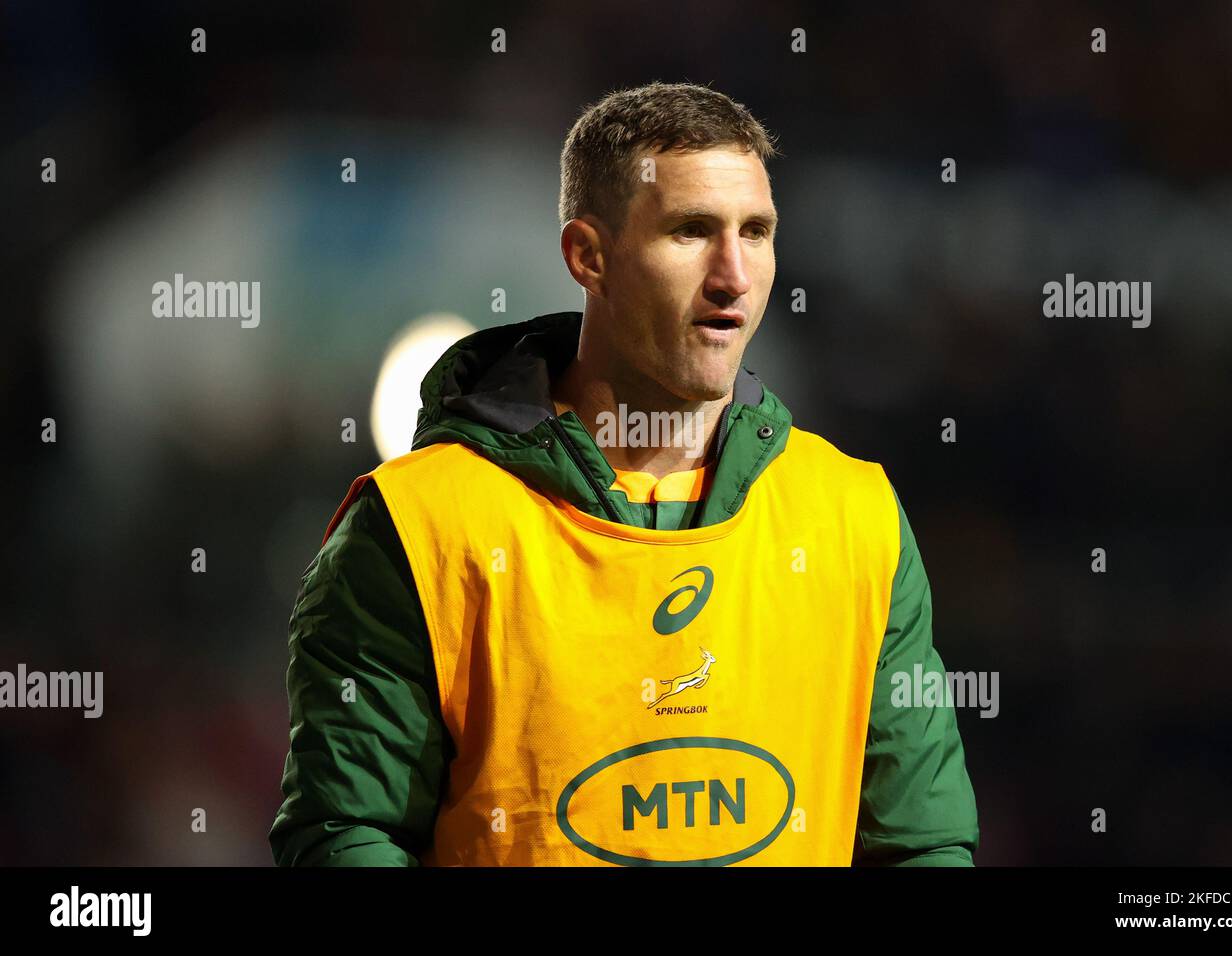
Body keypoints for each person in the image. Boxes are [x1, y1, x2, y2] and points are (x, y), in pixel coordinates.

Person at [269, 80, 979, 866]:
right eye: (691, 232)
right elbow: (346, 834)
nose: (733, 275)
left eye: (757, 232)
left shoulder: (855, 519)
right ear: (589, 256)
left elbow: (921, 844)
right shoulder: (420, 524)